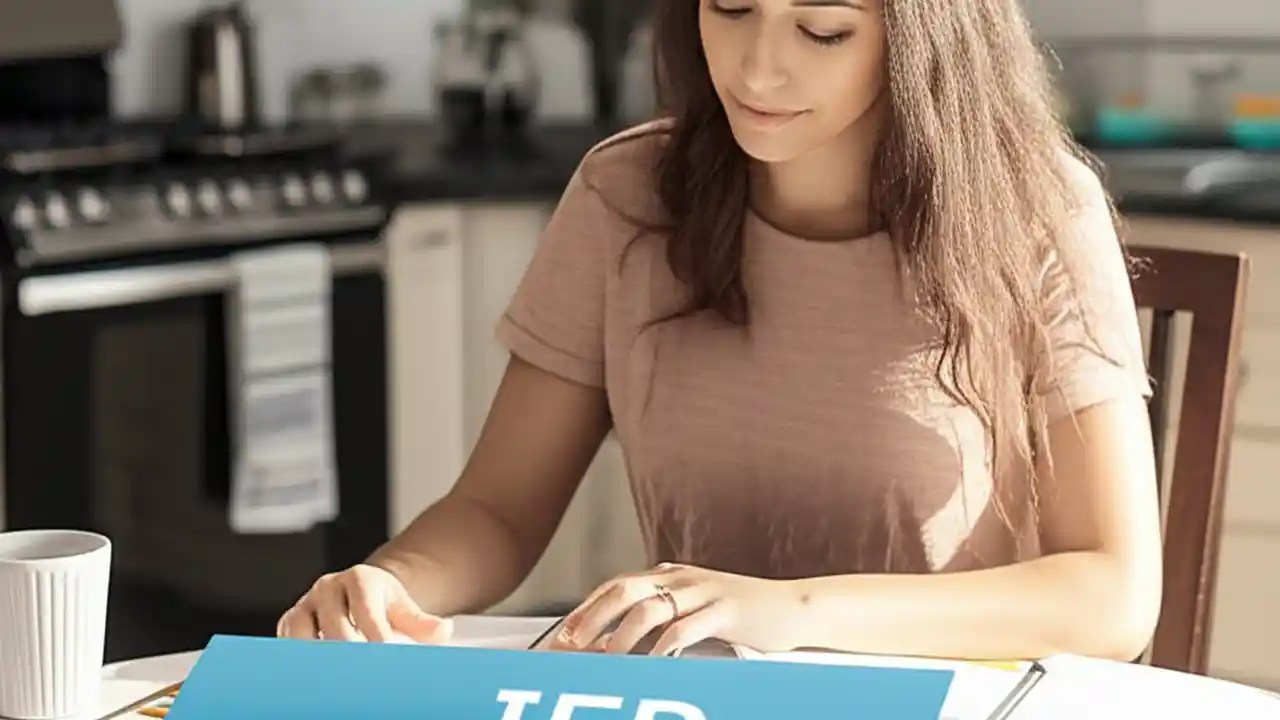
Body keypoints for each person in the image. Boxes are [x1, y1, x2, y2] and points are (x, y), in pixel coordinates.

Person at [278, 0, 1162, 662]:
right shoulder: (624, 198)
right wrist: (390, 587)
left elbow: (1114, 595)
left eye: (822, 30)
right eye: (731, 7)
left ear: (923, 35)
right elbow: (497, 511)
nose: (756, 69)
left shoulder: (1036, 213)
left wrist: (792, 612)